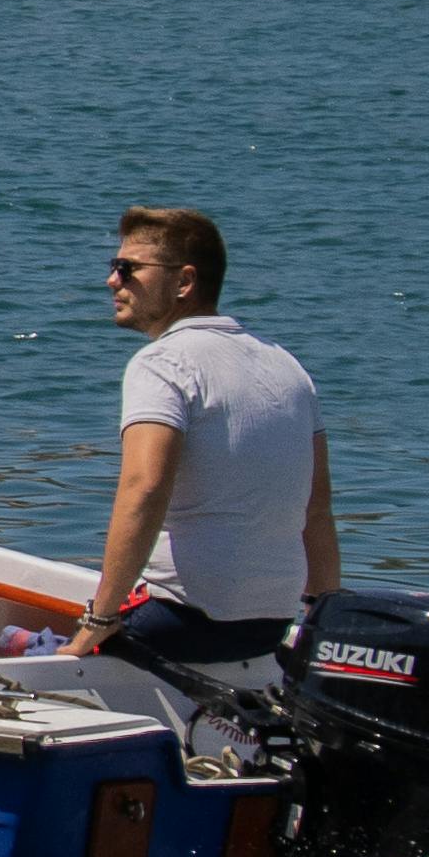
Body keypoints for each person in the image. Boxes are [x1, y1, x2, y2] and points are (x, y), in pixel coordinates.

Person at [66, 204, 338, 687]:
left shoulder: (162, 364)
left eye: (127, 269)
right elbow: (316, 510)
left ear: (184, 282)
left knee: (21, 640)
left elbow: (144, 488)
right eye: (113, 267)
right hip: (267, 630)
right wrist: (323, 624)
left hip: (182, 624)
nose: (112, 280)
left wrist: (101, 620)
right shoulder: (289, 369)